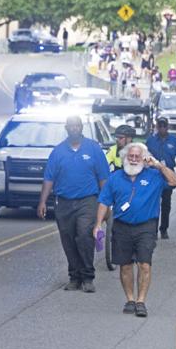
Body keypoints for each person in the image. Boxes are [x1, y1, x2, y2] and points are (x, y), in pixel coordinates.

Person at [97, 142, 176, 317]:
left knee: (144, 265)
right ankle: (130, 299)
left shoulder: (154, 175)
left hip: (146, 227)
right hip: (122, 227)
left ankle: (141, 301)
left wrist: (158, 165)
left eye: (137, 156)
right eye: (131, 156)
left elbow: (175, 181)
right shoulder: (115, 177)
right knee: (126, 266)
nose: (134, 159)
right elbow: (104, 201)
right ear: (125, 158)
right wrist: (98, 224)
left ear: (144, 158)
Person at [38, 115, 109, 293]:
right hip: (64, 202)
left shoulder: (93, 148)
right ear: (66, 128)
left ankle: (87, 277)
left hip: (88, 201)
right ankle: (74, 277)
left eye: (77, 125)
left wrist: (106, 203)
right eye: (71, 126)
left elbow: (103, 178)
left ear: (81, 127)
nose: (74, 128)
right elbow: (49, 178)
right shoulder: (58, 151)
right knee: (68, 239)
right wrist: (42, 201)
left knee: (84, 236)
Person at [145, 116, 176, 239]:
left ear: (168, 126)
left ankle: (164, 229)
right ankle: (153, 231)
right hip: (153, 176)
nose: (162, 128)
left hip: (168, 176)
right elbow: (144, 158)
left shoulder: (175, 141)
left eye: (164, 125)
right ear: (157, 126)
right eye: (160, 125)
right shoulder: (150, 140)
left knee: (166, 204)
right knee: (153, 204)